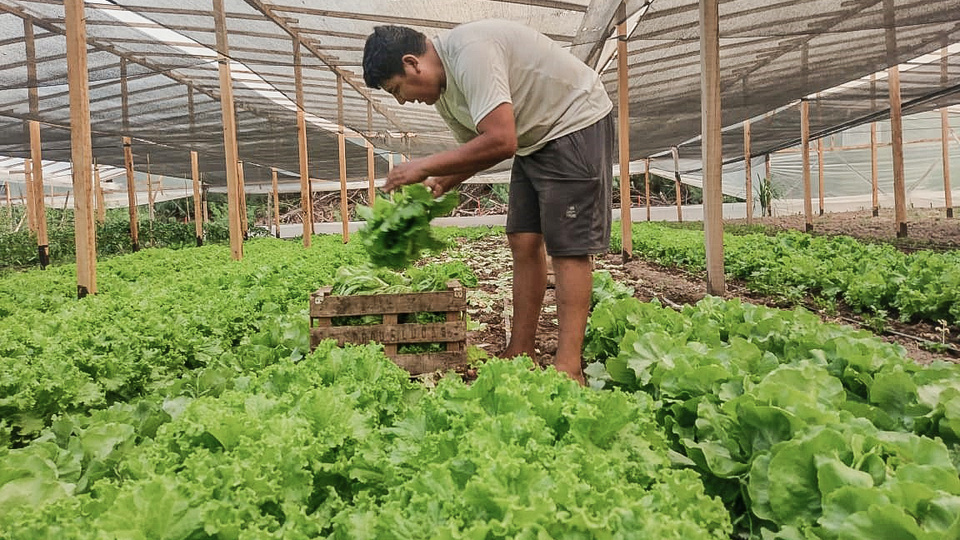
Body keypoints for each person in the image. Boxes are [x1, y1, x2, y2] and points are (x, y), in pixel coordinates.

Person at [362, 20, 613, 385]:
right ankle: (521, 349)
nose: (403, 100)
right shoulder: (443, 92)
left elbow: (500, 140)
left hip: (573, 121)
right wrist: (442, 182)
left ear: (412, 62)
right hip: (533, 139)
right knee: (523, 239)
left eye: (397, 89)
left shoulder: (470, 52)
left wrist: (422, 165)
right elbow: (478, 150)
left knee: (568, 247)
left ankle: (568, 365)